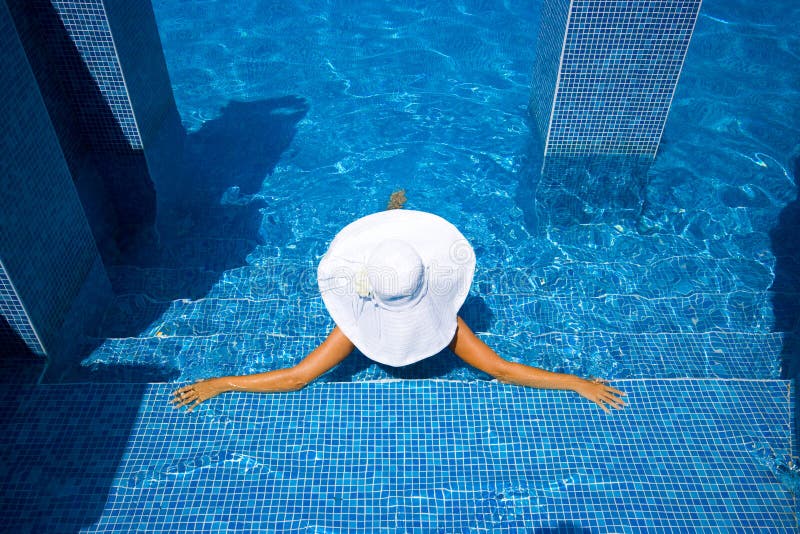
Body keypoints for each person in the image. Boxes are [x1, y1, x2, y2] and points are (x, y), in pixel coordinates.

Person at [172, 194, 626, 413]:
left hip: (385, 301)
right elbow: (502, 369)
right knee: (395, 261)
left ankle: (392, 219)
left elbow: (297, 377)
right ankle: (395, 220)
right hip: (413, 304)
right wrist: (575, 382)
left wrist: (222, 383)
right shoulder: (450, 327)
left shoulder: (353, 324)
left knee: (392, 260)